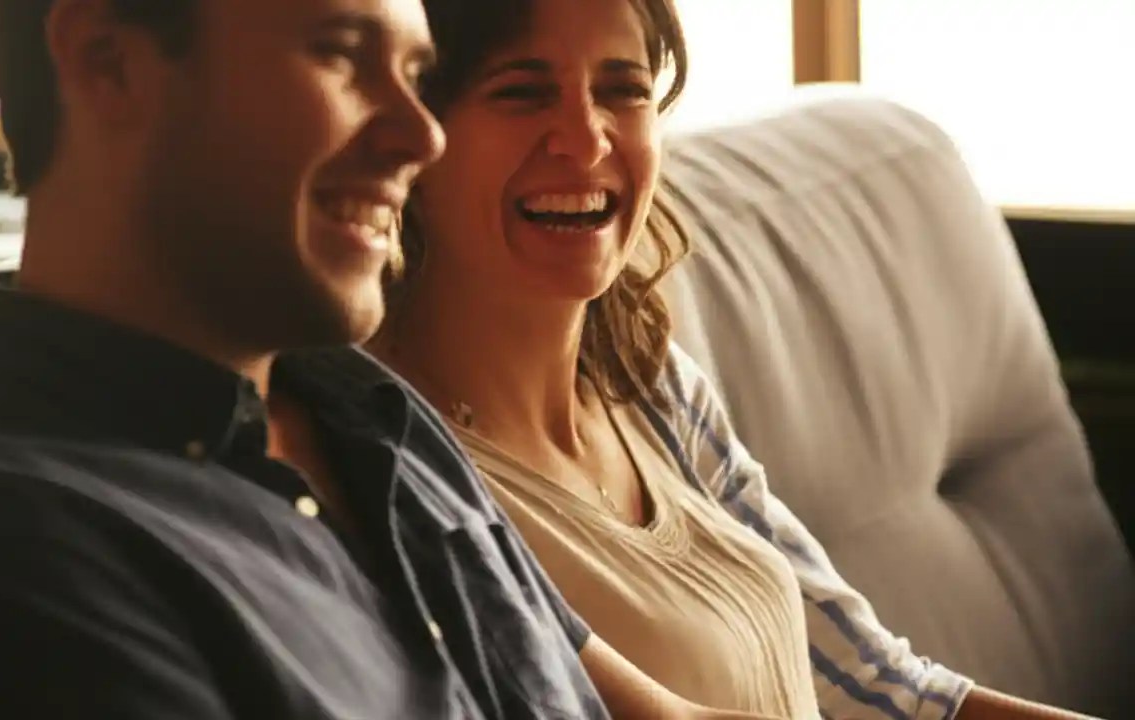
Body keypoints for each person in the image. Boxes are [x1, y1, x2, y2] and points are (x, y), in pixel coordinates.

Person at [0, 1, 770, 718]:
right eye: (340, 54)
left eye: (415, 72)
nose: (423, 137)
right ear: (108, 61)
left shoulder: (365, 411)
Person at [373, 0, 1103, 718]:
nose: (587, 141)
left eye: (622, 89)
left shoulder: (650, 384)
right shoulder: (387, 461)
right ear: (412, 136)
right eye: (521, 93)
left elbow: (877, 687)